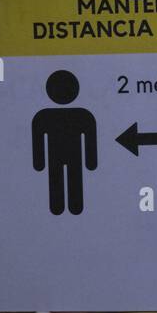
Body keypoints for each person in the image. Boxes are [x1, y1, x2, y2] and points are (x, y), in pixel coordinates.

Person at [32, 70, 98, 215]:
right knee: (60, 180)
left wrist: (39, 163)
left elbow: (90, 139)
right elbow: (38, 141)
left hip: (66, 157)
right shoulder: (82, 115)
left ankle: (70, 207)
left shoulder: (44, 116)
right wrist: (91, 162)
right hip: (63, 157)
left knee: (71, 180)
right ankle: (62, 207)